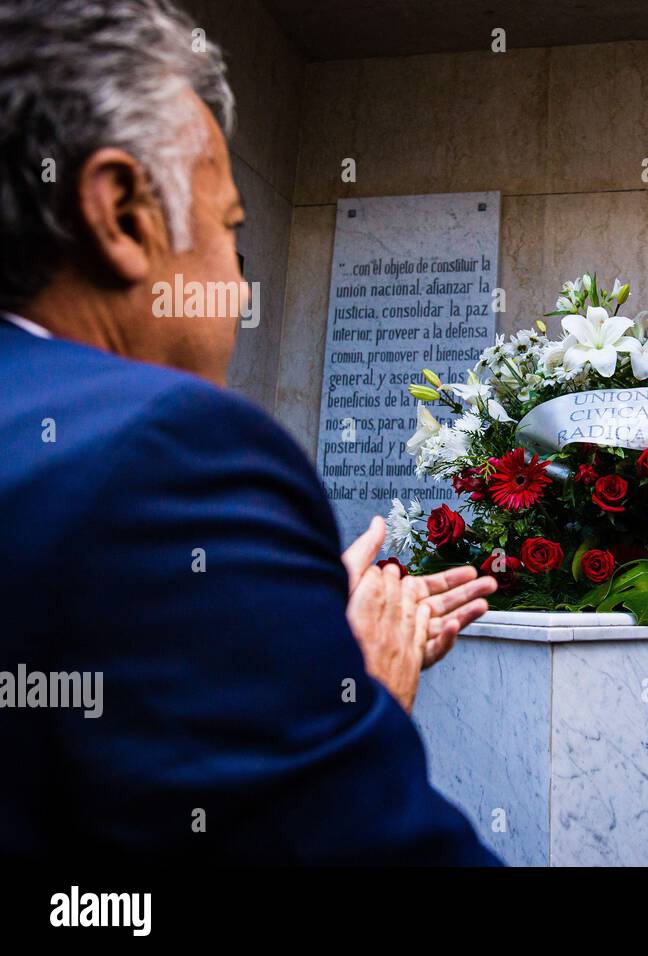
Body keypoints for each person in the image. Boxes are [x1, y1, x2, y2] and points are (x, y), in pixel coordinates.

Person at [0, 0, 498, 863]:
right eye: (233, 234)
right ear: (122, 215)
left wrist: (277, 626)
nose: (237, 289)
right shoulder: (176, 456)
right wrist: (360, 689)